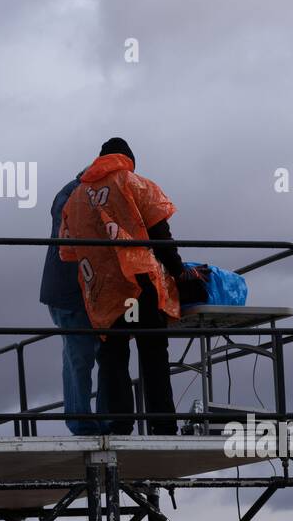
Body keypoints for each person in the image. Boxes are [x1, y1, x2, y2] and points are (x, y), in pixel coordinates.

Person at [59, 138, 200, 435]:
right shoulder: (135, 183)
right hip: (140, 285)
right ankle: (162, 425)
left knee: (113, 360)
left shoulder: (76, 198)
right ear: (128, 159)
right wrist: (179, 272)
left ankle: (120, 424)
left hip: (103, 293)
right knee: (153, 355)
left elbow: (68, 251)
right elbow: (160, 234)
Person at [40, 172, 107, 435]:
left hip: (84, 292)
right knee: (79, 356)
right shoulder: (74, 196)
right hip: (72, 293)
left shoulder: (72, 193)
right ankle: (82, 423)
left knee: (88, 356)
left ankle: (96, 420)